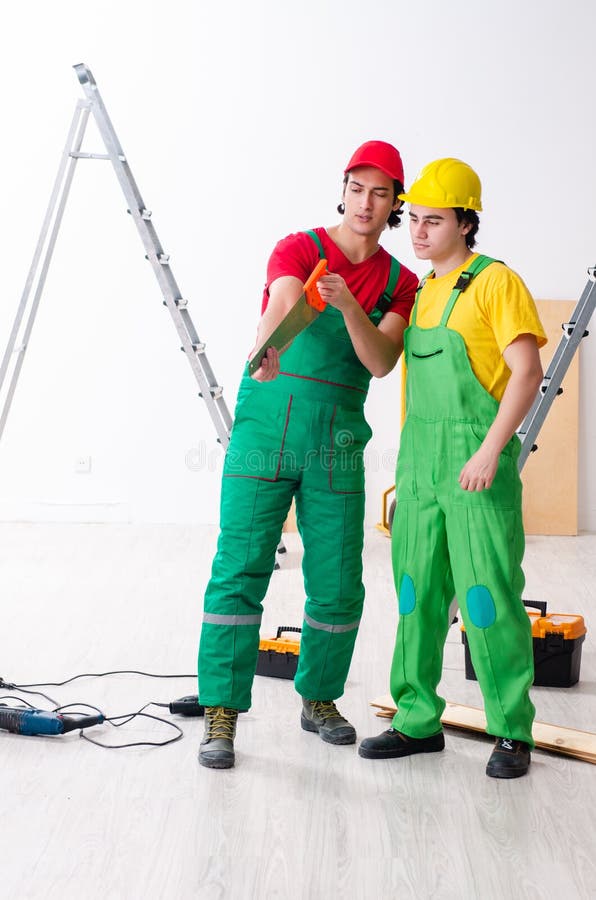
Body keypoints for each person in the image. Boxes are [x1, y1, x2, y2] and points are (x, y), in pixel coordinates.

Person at [197, 140, 418, 768]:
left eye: (381, 193)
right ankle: (221, 711)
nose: (366, 202)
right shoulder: (299, 246)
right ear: (343, 188)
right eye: (357, 187)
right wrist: (269, 345)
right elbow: (285, 300)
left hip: (338, 439)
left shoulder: (400, 284)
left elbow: (379, 361)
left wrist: (351, 307)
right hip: (268, 422)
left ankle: (319, 698)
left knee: (340, 581)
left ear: (395, 203)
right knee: (240, 568)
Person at [358, 158, 547, 778]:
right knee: (416, 596)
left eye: (432, 221)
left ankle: (512, 731)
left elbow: (527, 373)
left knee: (487, 598)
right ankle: (416, 721)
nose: (417, 231)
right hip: (419, 468)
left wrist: (492, 450)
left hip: (476, 463)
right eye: (412, 219)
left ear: (467, 222)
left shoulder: (496, 283)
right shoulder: (422, 292)